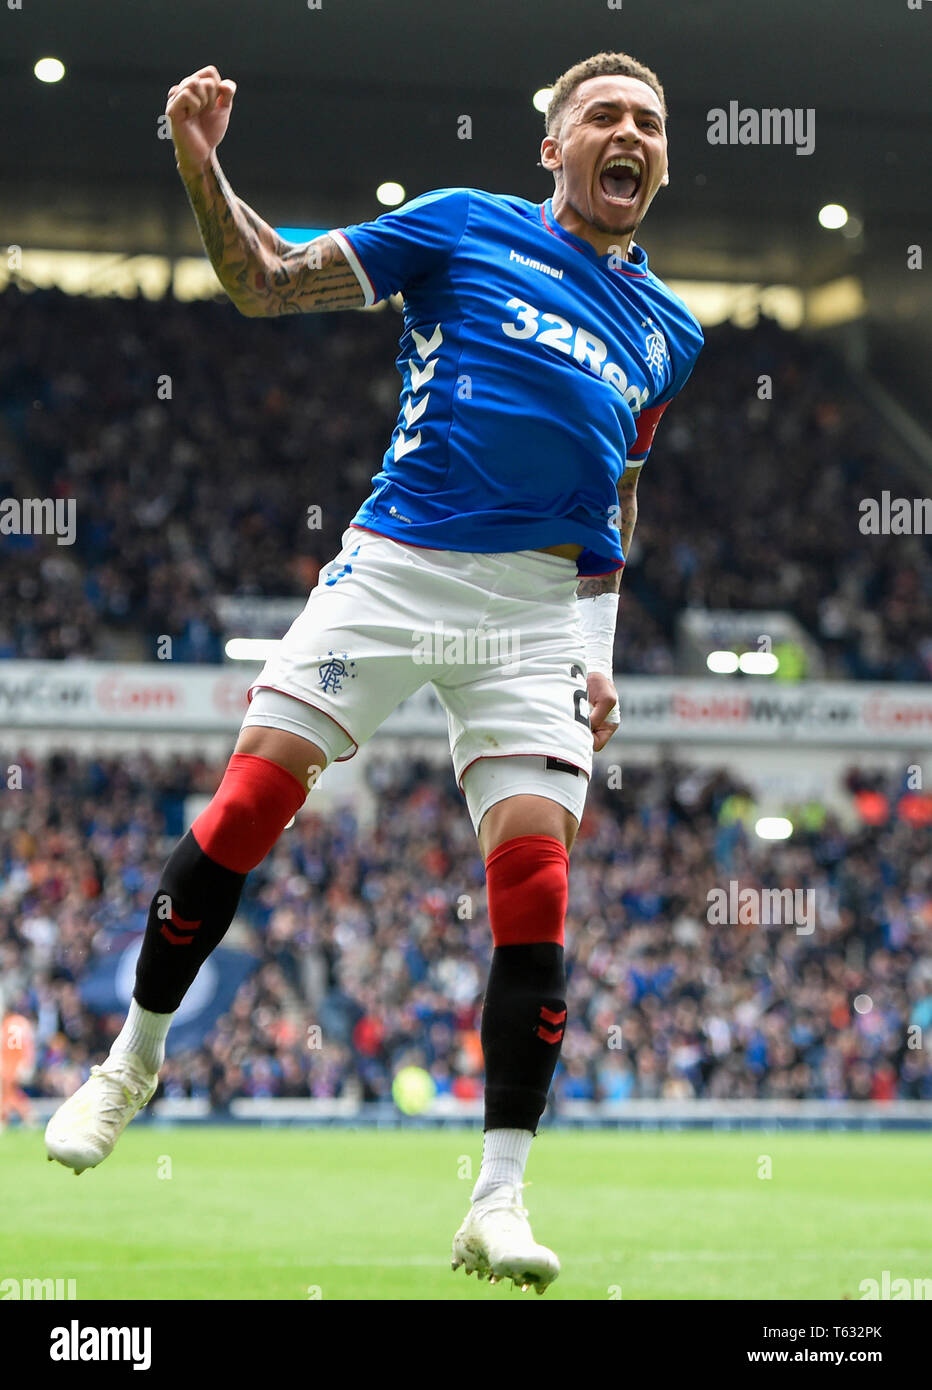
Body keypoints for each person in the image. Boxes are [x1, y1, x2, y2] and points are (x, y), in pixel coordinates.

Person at [46, 50, 703, 1294]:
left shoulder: (672, 331)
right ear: (552, 148)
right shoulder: (464, 228)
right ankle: (130, 1059)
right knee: (246, 807)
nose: (630, 134)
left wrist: (596, 651)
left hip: (533, 615)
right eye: (603, 116)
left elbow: (621, 486)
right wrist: (201, 164)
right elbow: (264, 280)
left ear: (662, 159)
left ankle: (495, 1202)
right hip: (398, 565)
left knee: (534, 885)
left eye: (650, 123)